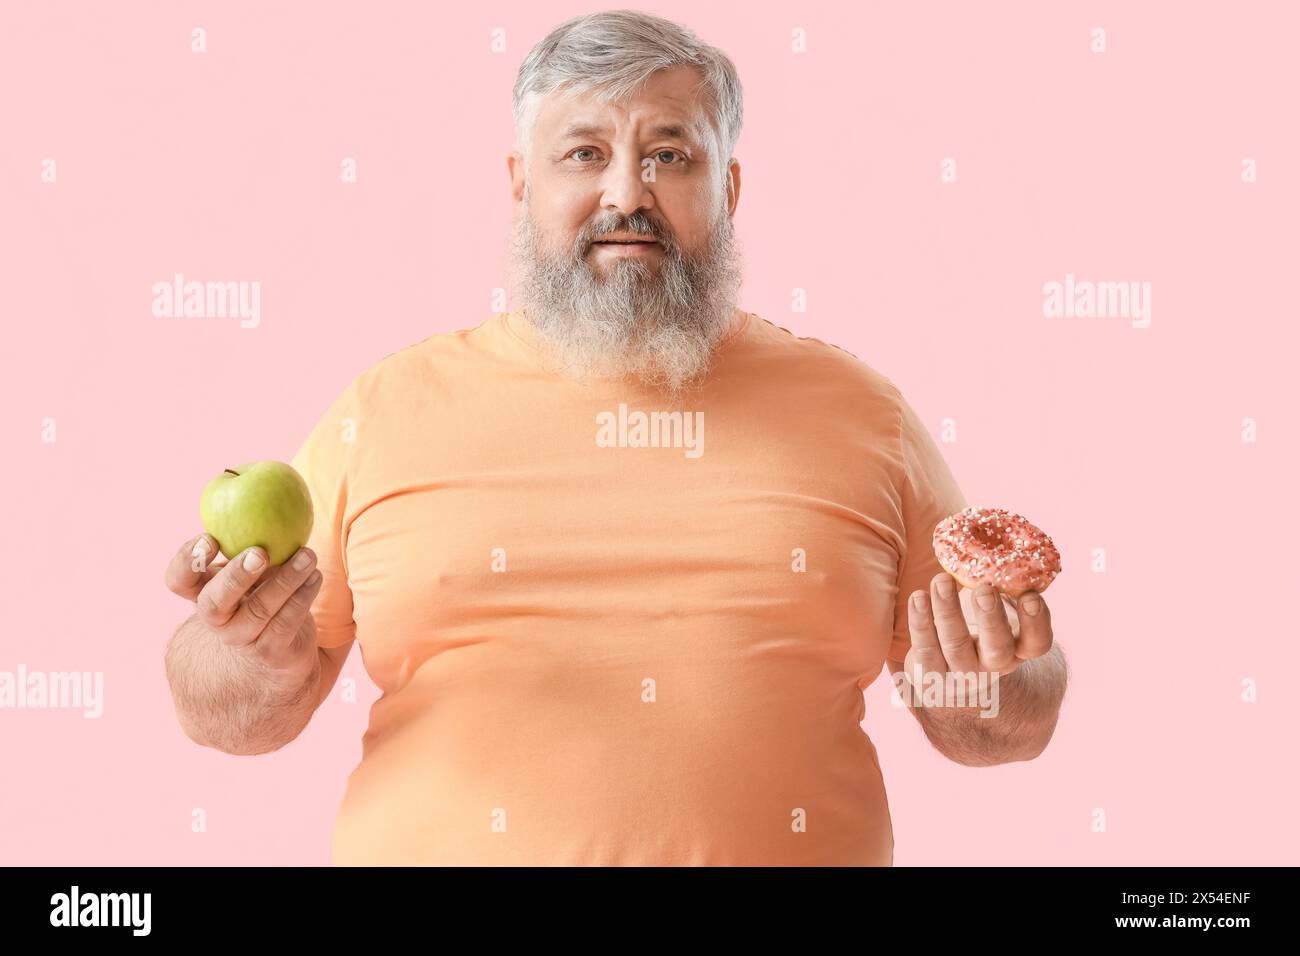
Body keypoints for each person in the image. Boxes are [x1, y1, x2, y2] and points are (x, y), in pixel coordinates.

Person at [164, 10, 1066, 866]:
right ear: (521, 183)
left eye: (670, 155)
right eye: (584, 153)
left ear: (730, 187)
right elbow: (233, 719)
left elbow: (996, 727)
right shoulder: (387, 408)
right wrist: (243, 652)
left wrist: (992, 675)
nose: (627, 193)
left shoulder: (865, 415)